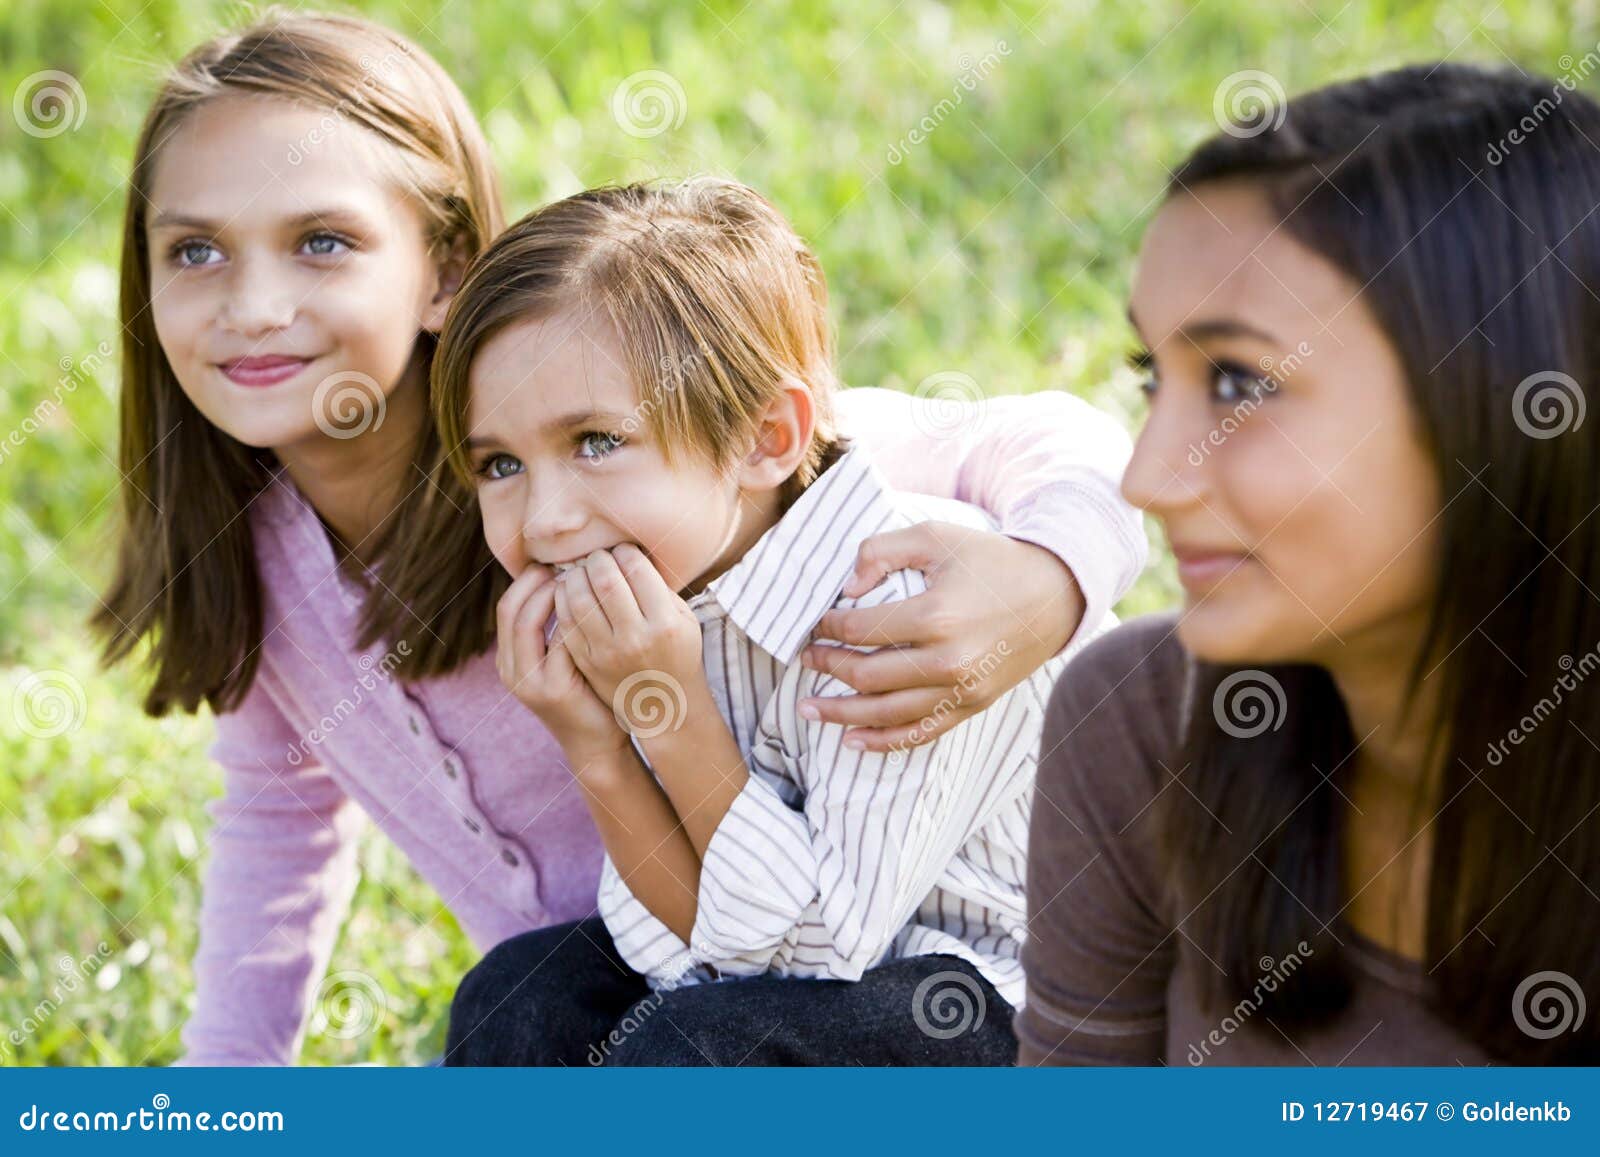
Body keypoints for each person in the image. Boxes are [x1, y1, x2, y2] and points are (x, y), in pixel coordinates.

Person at [93, 11, 1145, 1064]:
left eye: (322, 241)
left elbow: (1044, 438)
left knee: (698, 1041)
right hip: (659, 956)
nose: (256, 305)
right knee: (525, 998)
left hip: (880, 974)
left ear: (446, 265)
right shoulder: (273, 554)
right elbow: (276, 828)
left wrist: (1048, 578)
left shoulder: (635, 444)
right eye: (194, 250)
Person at [435, 179, 1122, 1064]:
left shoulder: (893, 606)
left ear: (766, 439)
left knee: (704, 1052)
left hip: (1022, 1005)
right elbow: (692, 951)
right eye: (500, 463)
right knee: (518, 996)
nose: (545, 520)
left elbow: (819, 956)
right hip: (800, 968)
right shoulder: (668, 595)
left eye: (597, 442)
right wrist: (596, 742)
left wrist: (669, 704)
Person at [1019, 62, 1600, 1066]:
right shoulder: (1138, 725)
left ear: (1504, 401)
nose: (1151, 475)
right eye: (1155, 376)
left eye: (1240, 380)